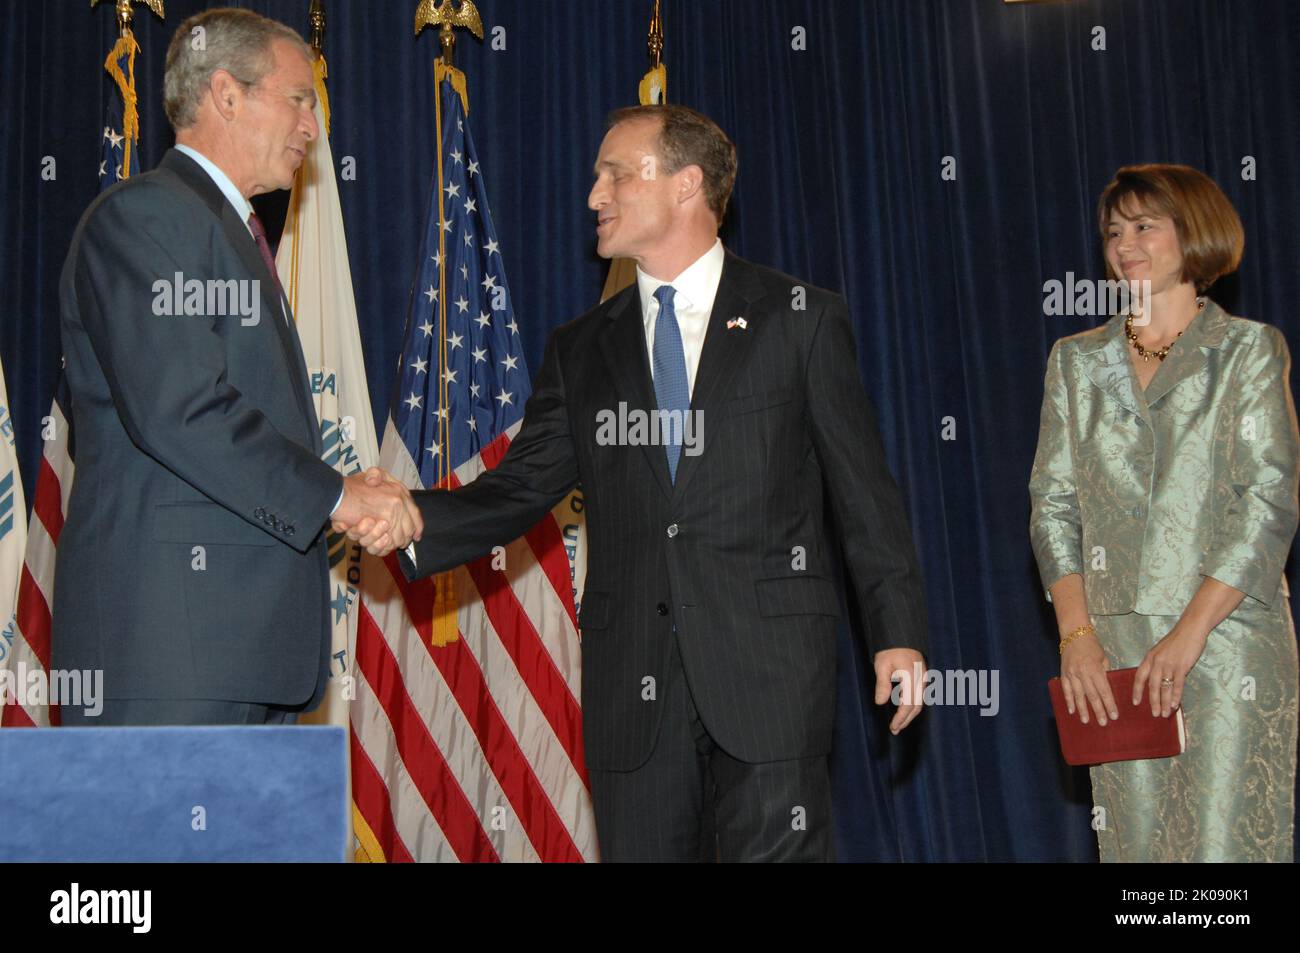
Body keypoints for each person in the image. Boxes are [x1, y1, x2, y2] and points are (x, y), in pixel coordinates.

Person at [345, 104, 930, 861]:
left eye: (616, 174)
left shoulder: (799, 318)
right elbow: (519, 488)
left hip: (769, 677)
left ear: (687, 185)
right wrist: (415, 517)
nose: (595, 195)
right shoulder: (582, 348)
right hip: (634, 693)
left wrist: (899, 632)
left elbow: (864, 493)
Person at [54, 8, 419, 727]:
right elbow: (182, 411)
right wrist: (339, 496)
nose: (313, 128)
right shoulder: (148, 216)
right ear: (226, 93)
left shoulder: (227, 232)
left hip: (243, 652)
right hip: (167, 654)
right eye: (299, 99)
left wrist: (342, 492)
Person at [1029, 163, 1299, 861]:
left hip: (1225, 639)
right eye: (1115, 230)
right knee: (1137, 858)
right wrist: (1076, 637)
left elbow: (1268, 503)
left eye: (1146, 225)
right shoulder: (1074, 361)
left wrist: (1186, 635)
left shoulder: (1248, 351)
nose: (1125, 243)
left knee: (1221, 857)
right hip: (1112, 654)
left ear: (1194, 233)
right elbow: (1052, 506)